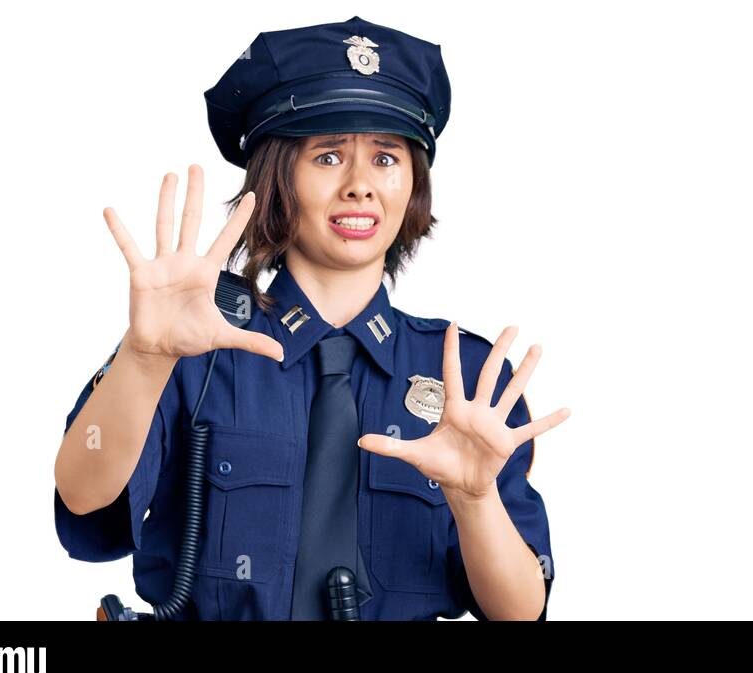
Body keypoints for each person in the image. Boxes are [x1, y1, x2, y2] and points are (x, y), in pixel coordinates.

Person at [52, 16, 569, 621]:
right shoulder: (191, 339)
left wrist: (475, 497)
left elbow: (522, 611)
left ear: (413, 185)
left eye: (385, 157)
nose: (359, 187)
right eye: (326, 157)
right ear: (277, 180)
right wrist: (143, 361)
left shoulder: (465, 377)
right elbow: (84, 501)